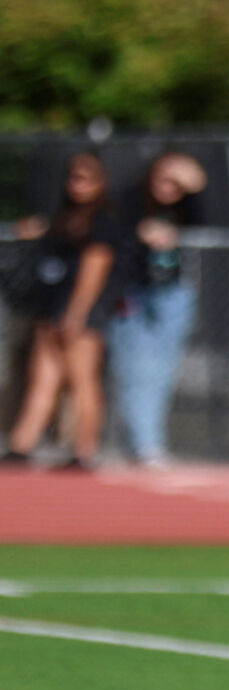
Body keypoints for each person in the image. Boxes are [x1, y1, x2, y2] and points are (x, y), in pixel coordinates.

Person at [4, 152, 122, 469]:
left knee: (82, 380)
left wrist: (77, 312)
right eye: (73, 178)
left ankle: (85, 450)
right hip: (51, 307)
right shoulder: (63, 219)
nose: (77, 185)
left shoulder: (102, 223)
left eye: (85, 179)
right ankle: (21, 444)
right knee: (42, 379)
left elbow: (95, 269)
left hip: (80, 312)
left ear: (100, 183)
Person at [108, 151, 207, 466]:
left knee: (161, 372)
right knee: (135, 370)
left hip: (172, 294)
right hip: (134, 293)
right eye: (163, 179)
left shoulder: (184, 209)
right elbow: (113, 227)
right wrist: (141, 232)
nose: (168, 187)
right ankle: (142, 443)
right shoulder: (131, 200)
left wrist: (196, 186)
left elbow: (207, 217)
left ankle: (146, 442)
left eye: (176, 183)